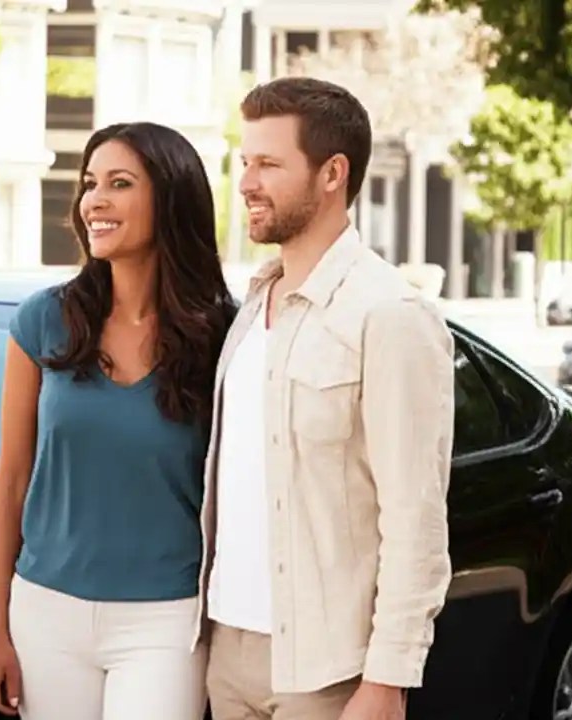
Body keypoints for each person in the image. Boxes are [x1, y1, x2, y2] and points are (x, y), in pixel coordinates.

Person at [200, 77, 455, 719]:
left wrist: (386, 680)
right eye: (244, 162)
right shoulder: (255, 303)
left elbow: (415, 519)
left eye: (268, 164)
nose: (246, 182)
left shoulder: (389, 314)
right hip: (228, 649)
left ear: (332, 173)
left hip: (329, 670)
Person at [0, 122, 237, 720]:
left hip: (166, 619)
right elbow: (12, 480)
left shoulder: (225, 336)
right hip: (45, 612)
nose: (95, 200)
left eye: (120, 184)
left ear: (170, 199)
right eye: (90, 183)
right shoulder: (45, 320)